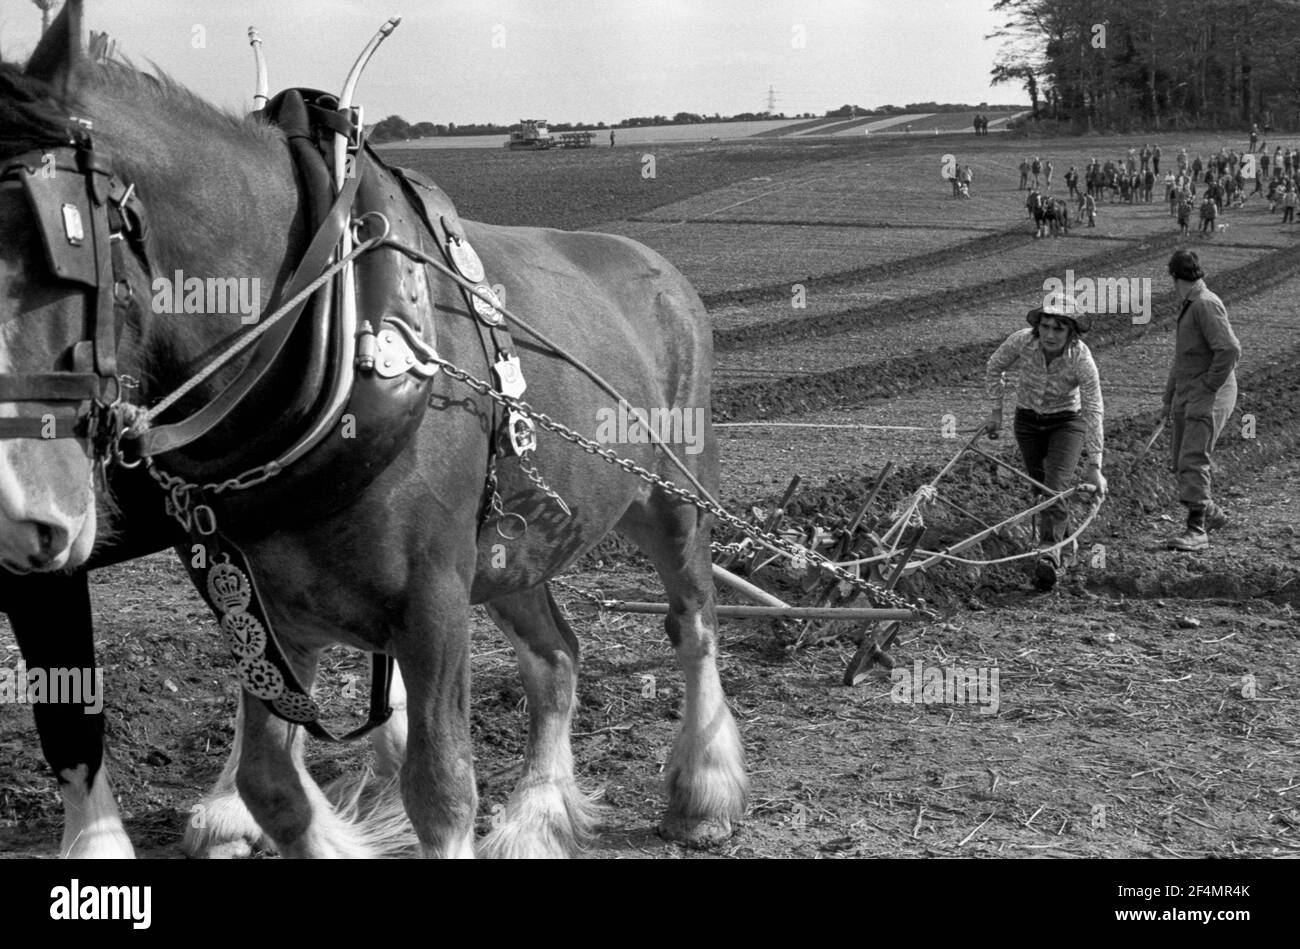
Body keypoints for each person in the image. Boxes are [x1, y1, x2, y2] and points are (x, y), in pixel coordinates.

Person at [983, 292, 1106, 589]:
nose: (1050, 334)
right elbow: (994, 366)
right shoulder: (1021, 341)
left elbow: (1093, 407)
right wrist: (996, 412)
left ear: (1071, 332)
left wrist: (1095, 464)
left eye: (1058, 328)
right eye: (1046, 327)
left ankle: (1049, 556)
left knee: (1055, 485)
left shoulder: (1081, 358)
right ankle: (1065, 545)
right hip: (1027, 420)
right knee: (1040, 485)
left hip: (1066, 422)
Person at [1155, 251, 1240, 551]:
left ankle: (1197, 529)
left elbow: (1229, 350)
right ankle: (1211, 513)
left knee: (1193, 457)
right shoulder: (1189, 305)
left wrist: (1208, 385)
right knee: (1179, 459)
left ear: (1175, 278)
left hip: (1209, 392)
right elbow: (1181, 361)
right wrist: (1168, 401)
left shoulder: (1205, 304)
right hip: (1189, 390)